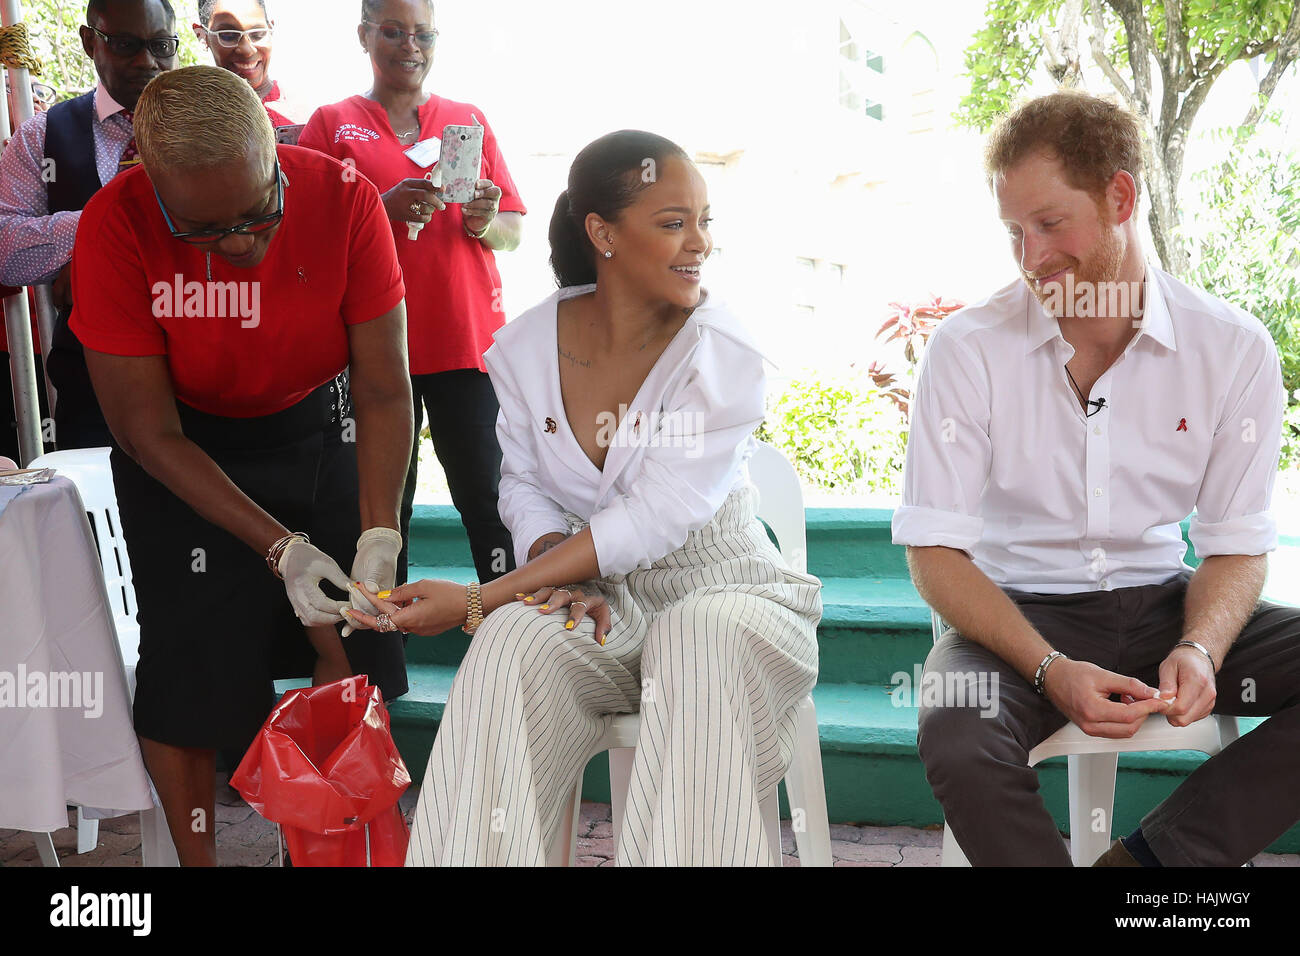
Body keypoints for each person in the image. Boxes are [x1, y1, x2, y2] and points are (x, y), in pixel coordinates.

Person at [347, 130, 823, 866]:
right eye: (673, 222)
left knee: (696, 638)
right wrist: (552, 565)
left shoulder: (720, 350)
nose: (700, 243)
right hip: (599, 599)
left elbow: (653, 519)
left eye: (704, 221)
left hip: (727, 592)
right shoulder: (525, 348)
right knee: (510, 643)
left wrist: (478, 600)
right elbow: (522, 483)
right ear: (603, 233)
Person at [894, 89, 1300, 867]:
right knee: (955, 723)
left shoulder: (1233, 350)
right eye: (1014, 231)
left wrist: (1202, 647)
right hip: (1016, 619)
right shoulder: (968, 349)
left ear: (1120, 197)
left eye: (1050, 223)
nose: (1031, 257)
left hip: (1166, 606)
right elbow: (934, 551)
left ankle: (1150, 865)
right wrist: (1048, 668)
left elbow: (1236, 544)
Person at [69, 65, 413, 865]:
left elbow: (384, 388)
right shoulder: (114, 223)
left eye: (259, 214)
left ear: (275, 155)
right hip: (183, 452)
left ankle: (330, 851)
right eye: (202, 228)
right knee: (191, 675)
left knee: (354, 638)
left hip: (319, 430)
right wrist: (280, 548)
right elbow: (147, 432)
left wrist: (379, 531)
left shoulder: (345, 198)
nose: (237, 244)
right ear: (151, 182)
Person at [298, 0, 524, 588]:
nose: (410, 46)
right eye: (394, 32)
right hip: (371, 348)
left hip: (462, 343)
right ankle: (383, 635)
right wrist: (378, 205)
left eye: (424, 34)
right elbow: (304, 233)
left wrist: (483, 222)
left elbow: (513, 232)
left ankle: (514, 625)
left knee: (489, 497)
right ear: (364, 34)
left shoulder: (466, 120)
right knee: (380, 510)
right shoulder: (331, 122)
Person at [0, 0, 180, 452]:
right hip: (94, 396)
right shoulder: (42, 136)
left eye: (161, 46)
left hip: (206, 387)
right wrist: (101, 229)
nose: (147, 62)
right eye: (126, 45)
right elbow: (4, 250)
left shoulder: (212, 128)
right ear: (88, 41)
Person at [193, 0, 310, 135]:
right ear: (202, 35)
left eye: (258, 34)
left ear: (270, 30)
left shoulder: (305, 112)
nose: (247, 50)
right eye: (228, 35)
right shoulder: (191, 115)